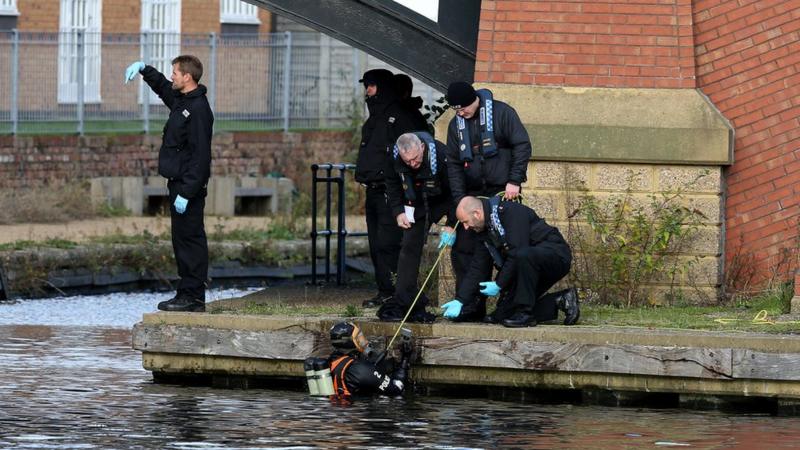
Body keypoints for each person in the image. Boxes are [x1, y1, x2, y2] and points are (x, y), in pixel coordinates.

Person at [124, 56, 213, 312]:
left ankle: (193, 297)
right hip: (177, 184)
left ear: (188, 76)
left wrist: (187, 191)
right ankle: (185, 293)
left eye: (175, 72)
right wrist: (144, 69)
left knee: (191, 241)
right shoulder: (182, 101)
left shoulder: (198, 109)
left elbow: (200, 157)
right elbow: (163, 87)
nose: (172, 75)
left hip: (189, 188)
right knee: (181, 241)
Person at [443, 81, 532, 321]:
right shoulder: (455, 126)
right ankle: (469, 305)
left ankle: (509, 304)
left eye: (463, 108)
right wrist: (459, 205)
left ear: (474, 100)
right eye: (456, 110)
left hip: (502, 191)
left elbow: (522, 145)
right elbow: (453, 165)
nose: (460, 113)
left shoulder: (502, 113)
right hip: (472, 195)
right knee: (464, 250)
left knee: (506, 249)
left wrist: (514, 180)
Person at [442, 196, 580, 328]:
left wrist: (499, 284)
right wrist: (460, 299)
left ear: (477, 213)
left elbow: (517, 253)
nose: (465, 227)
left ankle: (524, 312)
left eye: (465, 222)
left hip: (554, 256)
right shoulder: (484, 231)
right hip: (527, 266)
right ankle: (560, 300)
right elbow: (478, 267)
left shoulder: (511, 213)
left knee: (524, 254)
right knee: (503, 316)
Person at [355, 69, 422, 309]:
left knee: (388, 243)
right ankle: (385, 290)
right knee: (375, 244)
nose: (367, 91)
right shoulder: (375, 117)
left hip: (389, 190)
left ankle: (398, 291)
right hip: (372, 188)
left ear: (382, 87)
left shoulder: (399, 115)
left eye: (371, 86)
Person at [378, 132, 457, 323]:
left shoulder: (442, 154)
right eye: (408, 162)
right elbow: (392, 185)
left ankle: (465, 301)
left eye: (415, 159)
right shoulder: (395, 157)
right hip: (416, 202)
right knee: (408, 247)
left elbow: (457, 190)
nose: (413, 164)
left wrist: (451, 224)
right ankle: (404, 300)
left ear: (422, 147)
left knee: (462, 245)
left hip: (445, 198)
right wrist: (398, 212)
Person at [326, 321, 412, 397]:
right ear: (349, 342)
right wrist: (405, 359)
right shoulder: (361, 370)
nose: (365, 341)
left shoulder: (333, 359)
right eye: (358, 337)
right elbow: (395, 390)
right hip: (354, 411)